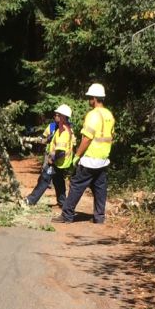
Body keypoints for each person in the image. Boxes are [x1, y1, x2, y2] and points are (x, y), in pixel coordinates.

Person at [55, 82, 114, 224]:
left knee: (76, 185)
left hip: (90, 158)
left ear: (94, 98)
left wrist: (77, 156)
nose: (89, 100)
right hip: (103, 159)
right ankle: (99, 217)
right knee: (100, 188)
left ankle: (67, 215)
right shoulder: (109, 114)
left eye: (89, 98)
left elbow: (87, 139)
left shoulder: (93, 115)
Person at [25, 104, 76, 207]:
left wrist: (52, 160)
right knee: (58, 180)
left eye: (58, 115)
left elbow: (61, 151)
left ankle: (30, 200)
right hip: (61, 162)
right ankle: (62, 202)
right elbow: (48, 139)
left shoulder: (63, 131)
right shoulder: (63, 128)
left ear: (63, 116)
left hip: (56, 161)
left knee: (44, 179)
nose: (55, 116)